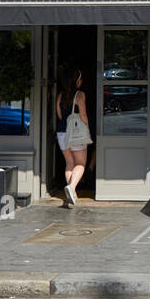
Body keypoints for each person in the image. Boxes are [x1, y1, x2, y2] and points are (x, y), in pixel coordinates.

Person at [56, 68, 90, 208]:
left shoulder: (60, 95)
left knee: (69, 163)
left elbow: (59, 115)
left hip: (62, 132)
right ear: (77, 81)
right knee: (81, 164)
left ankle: (72, 193)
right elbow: (83, 116)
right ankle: (71, 187)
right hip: (76, 133)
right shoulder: (80, 95)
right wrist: (87, 130)